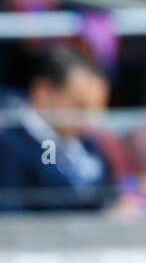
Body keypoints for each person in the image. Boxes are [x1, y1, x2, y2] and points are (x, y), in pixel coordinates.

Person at [0, 48, 121, 213]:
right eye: (79, 106)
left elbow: (109, 197)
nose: (91, 120)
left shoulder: (88, 145)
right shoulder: (10, 148)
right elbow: (12, 219)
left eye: (96, 109)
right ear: (43, 93)